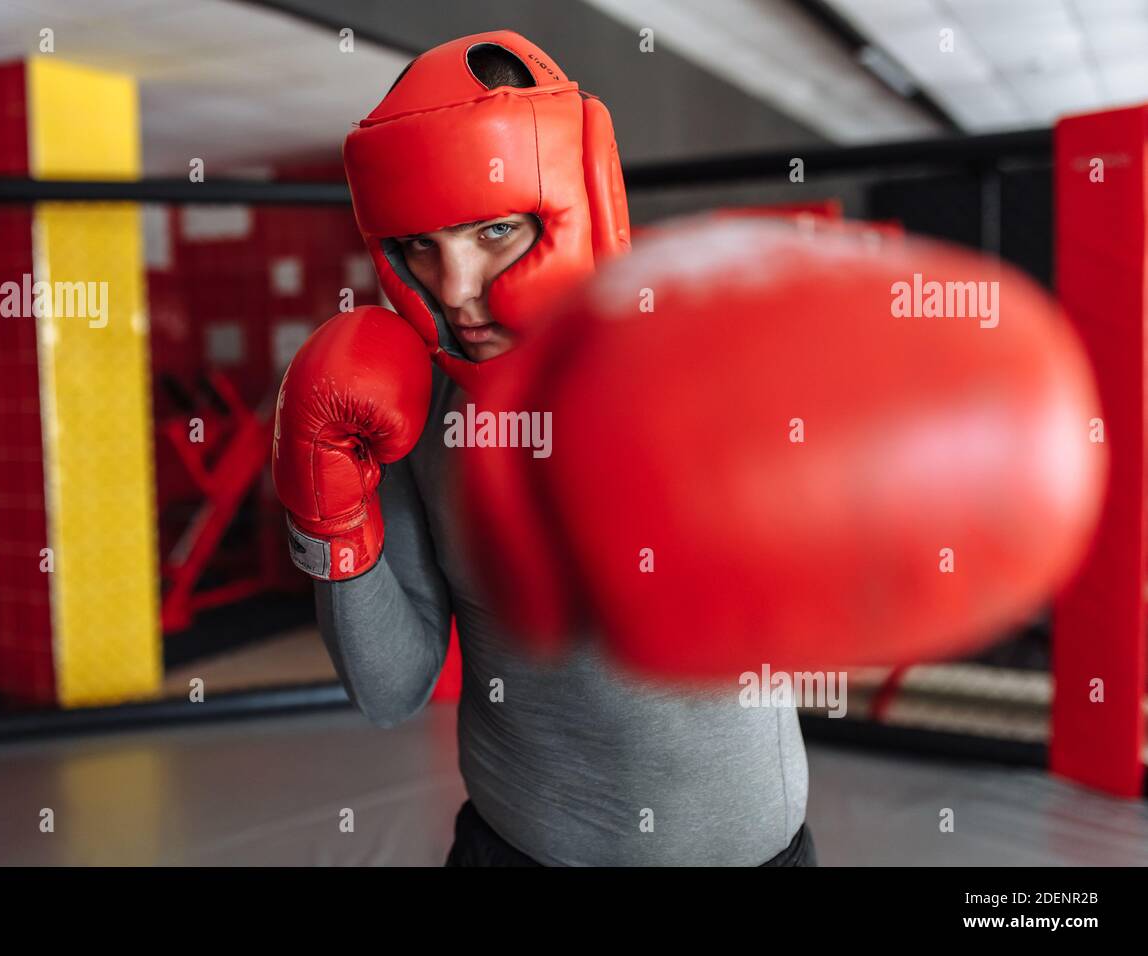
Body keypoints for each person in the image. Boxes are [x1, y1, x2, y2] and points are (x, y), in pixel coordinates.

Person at [273, 30, 815, 866]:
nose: (455, 293)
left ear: (581, 202)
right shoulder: (418, 411)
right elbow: (389, 692)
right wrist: (326, 517)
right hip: (514, 847)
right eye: (422, 247)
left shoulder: (715, 362)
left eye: (491, 232)